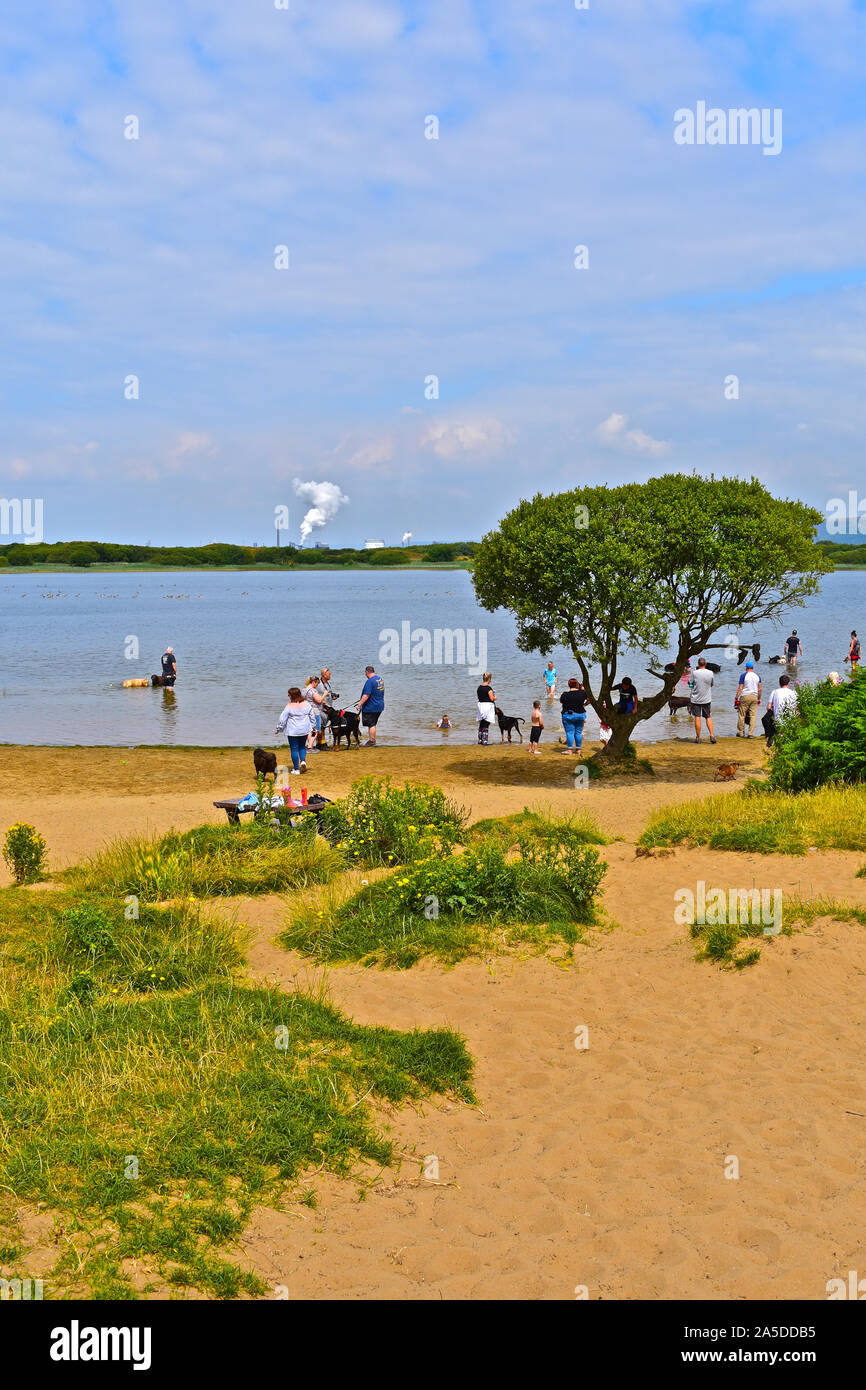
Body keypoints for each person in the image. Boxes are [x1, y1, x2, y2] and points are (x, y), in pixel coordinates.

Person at [275, 686, 315, 774]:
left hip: (293, 731)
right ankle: (303, 761)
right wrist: (313, 726)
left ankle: (296, 769)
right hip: (304, 730)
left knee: (294, 749)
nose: (288, 696)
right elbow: (312, 716)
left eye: (289, 695)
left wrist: (279, 729)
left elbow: (282, 719)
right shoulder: (306, 704)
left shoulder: (289, 706)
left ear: (292, 696)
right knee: (302, 746)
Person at [762, 674, 798, 747]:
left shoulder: (775, 692)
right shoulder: (794, 693)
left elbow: (768, 707)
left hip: (778, 721)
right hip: (790, 721)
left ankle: (772, 738)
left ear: (779, 683)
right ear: (788, 683)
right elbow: (796, 708)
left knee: (776, 729)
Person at [689, 657, 716, 744]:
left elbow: (690, 683)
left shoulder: (694, 673)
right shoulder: (710, 673)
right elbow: (711, 684)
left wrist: (692, 685)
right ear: (705, 664)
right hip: (707, 699)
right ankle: (712, 735)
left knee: (697, 717)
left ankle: (698, 738)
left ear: (698, 664)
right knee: (708, 717)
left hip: (696, 699)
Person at [357, 664, 385, 745]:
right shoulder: (379, 679)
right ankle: (372, 740)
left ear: (367, 672)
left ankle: (372, 741)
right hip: (380, 705)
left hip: (372, 706)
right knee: (373, 723)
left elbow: (366, 695)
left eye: (365, 673)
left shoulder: (370, 681)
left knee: (371, 724)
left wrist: (359, 704)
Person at [559, 678, 588, 753]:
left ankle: (569, 749)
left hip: (568, 715)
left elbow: (561, 702)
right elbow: (590, 699)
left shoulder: (565, 694)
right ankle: (578, 749)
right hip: (580, 715)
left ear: (569, 685)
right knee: (578, 733)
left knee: (570, 732)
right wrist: (584, 705)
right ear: (577, 685)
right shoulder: (583, 693)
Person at [736, 658, 762, 738]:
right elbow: (760, 689)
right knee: (753, 715)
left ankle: (741, 733)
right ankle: (750, 733)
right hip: (754, 696)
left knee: (742, 715)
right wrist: (759, 698)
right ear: (753, 667)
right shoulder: (757, 676)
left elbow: (740, 688)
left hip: (745, 696)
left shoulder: (743, 675)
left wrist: (736, 697)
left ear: (746, 667)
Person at [303, 675, 327, 752]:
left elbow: (308, 700)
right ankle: (310, 747)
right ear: (314, 682)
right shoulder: (312, 690)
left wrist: (321, 702)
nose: (317, 685)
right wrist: (324, 694)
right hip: (314, 712)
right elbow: (319, 700)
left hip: (306, 711)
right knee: (316, 730)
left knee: (309, 730)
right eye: (317, 683)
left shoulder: (304, 690)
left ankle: (310, 745)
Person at [476, 672, 496, 746]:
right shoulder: (488, 688)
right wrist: (495, 697)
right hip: (487, 706)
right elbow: (491, 698)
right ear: (489, 679)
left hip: (480, 706)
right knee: (486, 723)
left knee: (481, 723)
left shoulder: (479, 688)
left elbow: (480, 697)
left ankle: (480, 740)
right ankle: (485, 740)